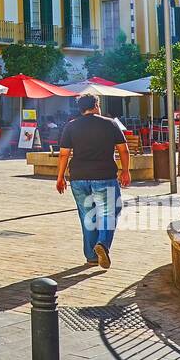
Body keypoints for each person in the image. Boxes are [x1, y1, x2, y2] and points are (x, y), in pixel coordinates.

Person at [55, 95, 131, 270]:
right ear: (96, 105)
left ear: (81, 109)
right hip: (104, 176)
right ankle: (103, 244)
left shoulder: (71, 126)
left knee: (87, 216)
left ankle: (91, 256)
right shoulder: (110, 123)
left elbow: (64, 154)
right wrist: (125, 170)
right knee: (109, 212)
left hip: (78, 178)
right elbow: (123, 150)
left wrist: (60, 177)